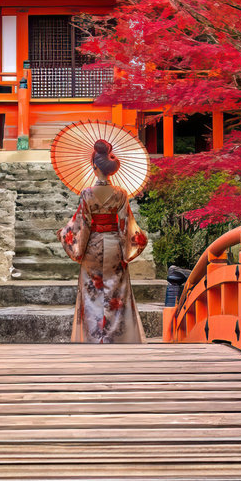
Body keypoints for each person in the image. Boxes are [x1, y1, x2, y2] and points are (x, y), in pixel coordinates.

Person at [57, 139, 149, 343]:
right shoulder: (121, 194)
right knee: (117, 291)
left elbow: (82, 224)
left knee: (92, 294)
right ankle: (117, 337)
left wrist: (66, 234)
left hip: (93, 247)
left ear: (94, 166)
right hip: (115, 246)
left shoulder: (87, 193)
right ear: (111, 170)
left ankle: (94, 337)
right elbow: (127, 225)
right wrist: (132, 247)